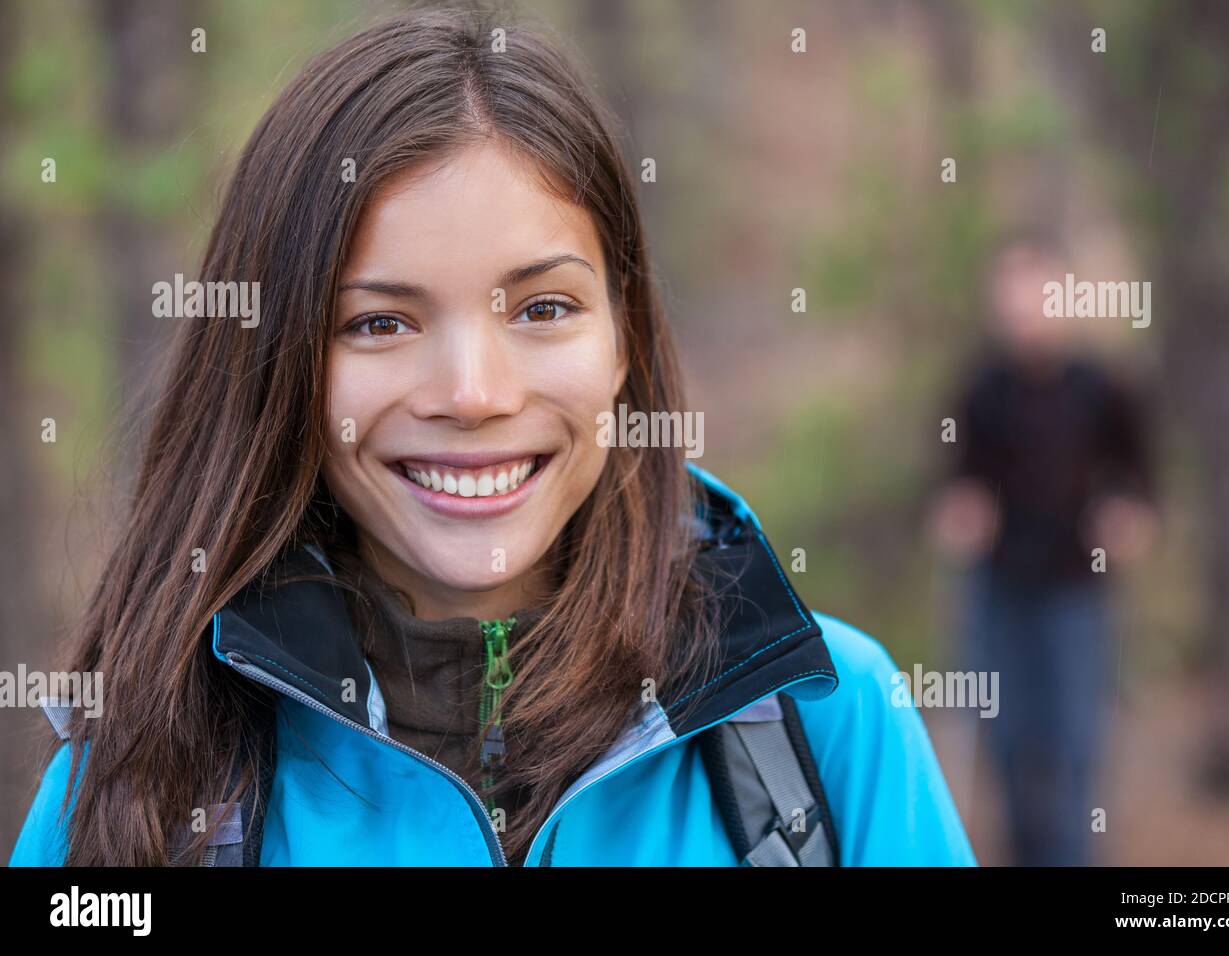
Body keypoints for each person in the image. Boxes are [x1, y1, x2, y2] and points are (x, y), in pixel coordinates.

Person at [11, 5, 974, 867]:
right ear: (279, 370)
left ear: (625, 339)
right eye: (380, 323)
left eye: (544, 306)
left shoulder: (829, 720)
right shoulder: (147, 763)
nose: (473, 394)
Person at [929, 234, 1156, 866]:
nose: (1021, 307)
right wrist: (961, 511)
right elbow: (959, 479)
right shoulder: (981, 389)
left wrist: (1129, 516)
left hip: (1077, 590)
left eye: (1035, 291)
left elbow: (1139, 478)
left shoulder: (1104, 387)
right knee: (1007, 742)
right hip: (999, 589)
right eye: (1010, 293)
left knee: (1076, 742)